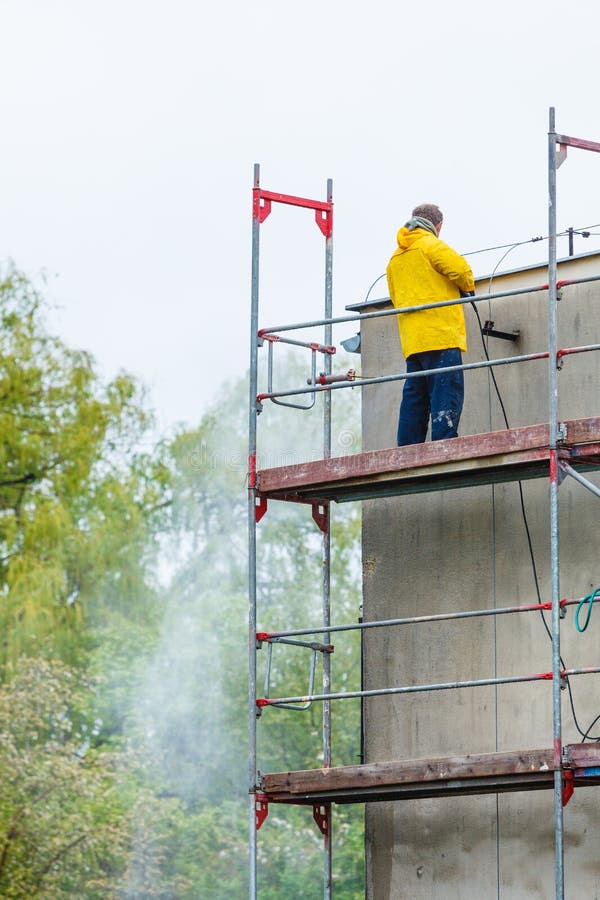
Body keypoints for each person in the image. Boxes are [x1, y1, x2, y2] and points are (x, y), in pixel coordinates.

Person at [386, 203, 475, 446]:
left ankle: (407, 448)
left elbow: (396, 297)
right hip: (441, 335)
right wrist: (466, 288)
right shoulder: (431, 245)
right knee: (445, 392)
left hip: (413, 342)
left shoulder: (395, 259)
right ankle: (444, 445)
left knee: (415, 398)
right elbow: (463, 272)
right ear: (438, 226)